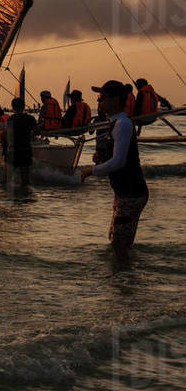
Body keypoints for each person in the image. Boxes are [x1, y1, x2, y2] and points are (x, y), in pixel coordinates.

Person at [80, 80, 149, 262]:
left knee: (119, 243)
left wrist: (91, 170)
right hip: (124, 193)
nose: (99, 102)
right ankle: (122, 279)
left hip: (131, 193)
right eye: (98, 97)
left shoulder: (123, 124)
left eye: (102, 97)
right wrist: (101, 159)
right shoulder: (115, 123)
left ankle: (125, 282)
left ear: (116, 99)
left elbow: (119, 162)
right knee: (116, 241)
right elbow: (117, 157)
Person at [2, 97, 36, 189]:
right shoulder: (31, 118)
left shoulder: (10, 120)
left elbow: (5, 136)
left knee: (7, 179)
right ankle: (25, 196)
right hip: (25, 150)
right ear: (24, 107)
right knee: (25, 180)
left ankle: (11, 196)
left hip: (13, 150)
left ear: (13, 107)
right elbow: (37, 132)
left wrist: (4, 152)